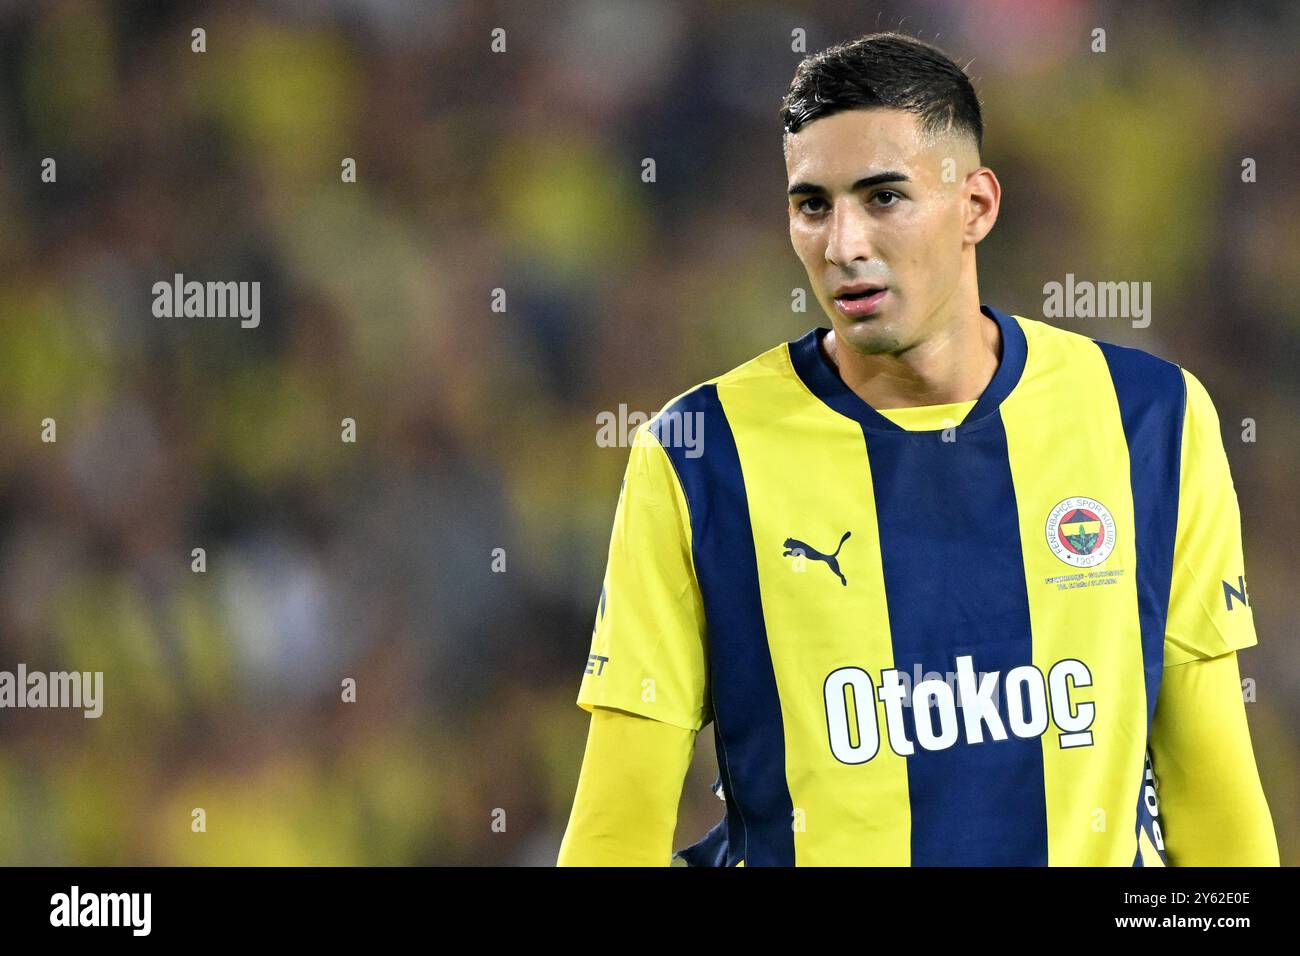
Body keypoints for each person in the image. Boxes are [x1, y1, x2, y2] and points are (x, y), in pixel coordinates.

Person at [557, 32, 1279, 866]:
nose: (843, 244)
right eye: (813, 205)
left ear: (976, 205)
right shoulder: (698, 456)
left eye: (884, 197)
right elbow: (617, 826)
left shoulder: (1150, 419)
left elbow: (1213, 797)